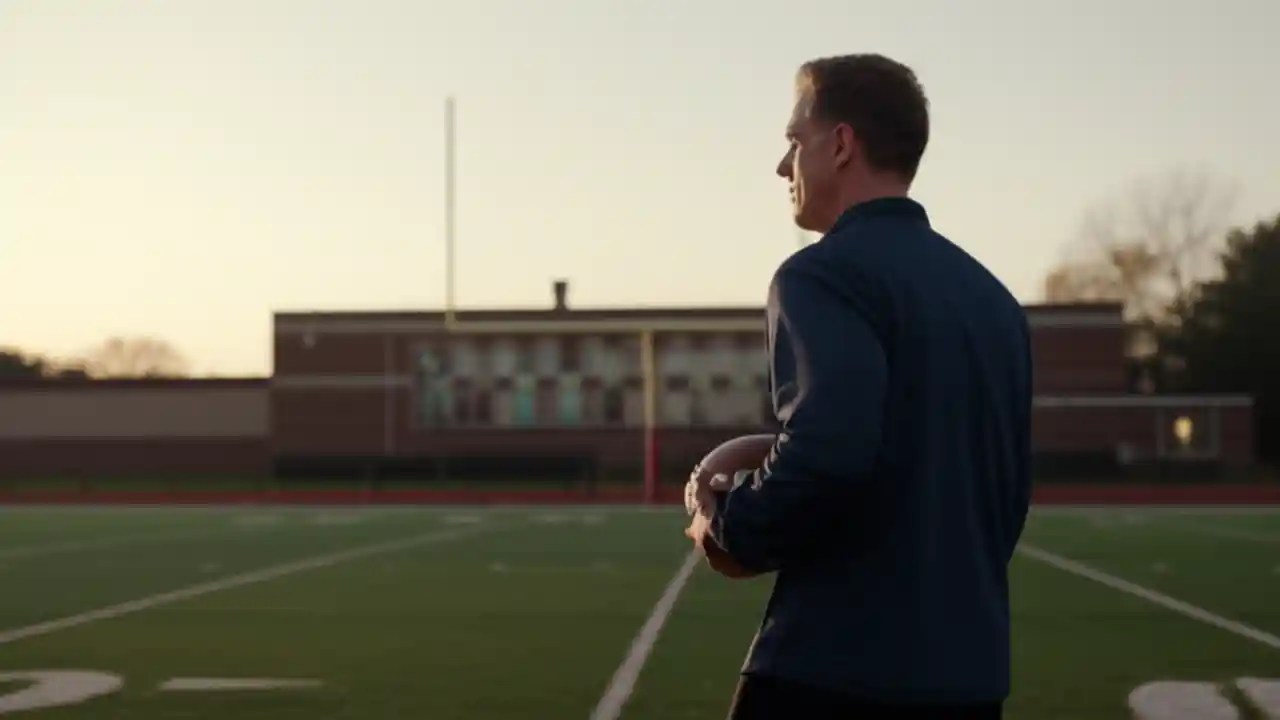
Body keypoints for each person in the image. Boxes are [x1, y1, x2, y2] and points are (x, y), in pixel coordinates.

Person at [684, 53, 1032, 719]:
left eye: (794, 141)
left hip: (834, 667)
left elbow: (829, 449)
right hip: (971, 678)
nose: (783, 167)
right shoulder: (994, 300)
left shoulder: (818, 276)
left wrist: (726, 525)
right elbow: (1000, 488)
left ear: (840, 144)